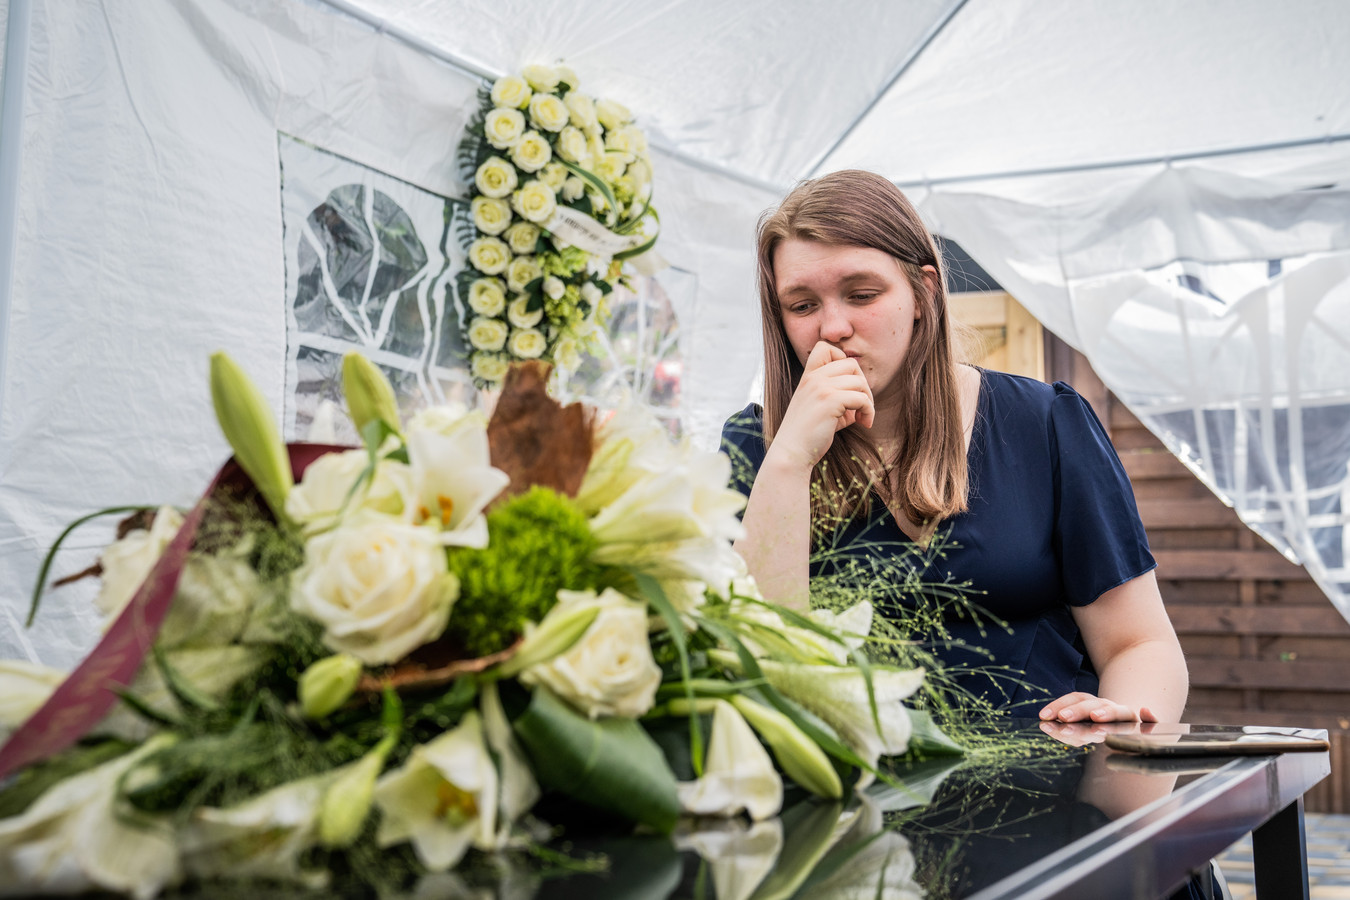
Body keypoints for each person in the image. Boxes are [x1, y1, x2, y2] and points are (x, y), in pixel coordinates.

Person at [721, 169, 1188, 725]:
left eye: (862, 294)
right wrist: (790, 462)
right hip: (846, 798)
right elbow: (755, 663)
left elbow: (1140, 643)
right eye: (802, 306)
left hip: (1041, 791)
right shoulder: (755, 448)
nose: (833, 327)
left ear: (924, 291)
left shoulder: (1045, 424)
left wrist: (1122, 717)